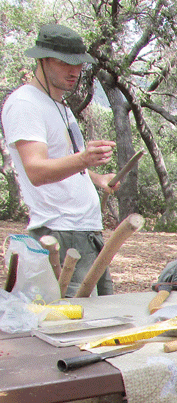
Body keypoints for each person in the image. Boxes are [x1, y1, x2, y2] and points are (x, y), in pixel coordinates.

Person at [1, 23, 117, 296]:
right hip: (60, 234)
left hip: (85, 233)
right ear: (41, 59)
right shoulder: (25, 104)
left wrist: (97, 178)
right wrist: (84, 159)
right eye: (65, 62)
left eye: (79, 64)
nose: (74, 71)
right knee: (72, 323)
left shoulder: (59, 104)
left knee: (97, 319)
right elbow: (37, 171)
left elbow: (64, 162)